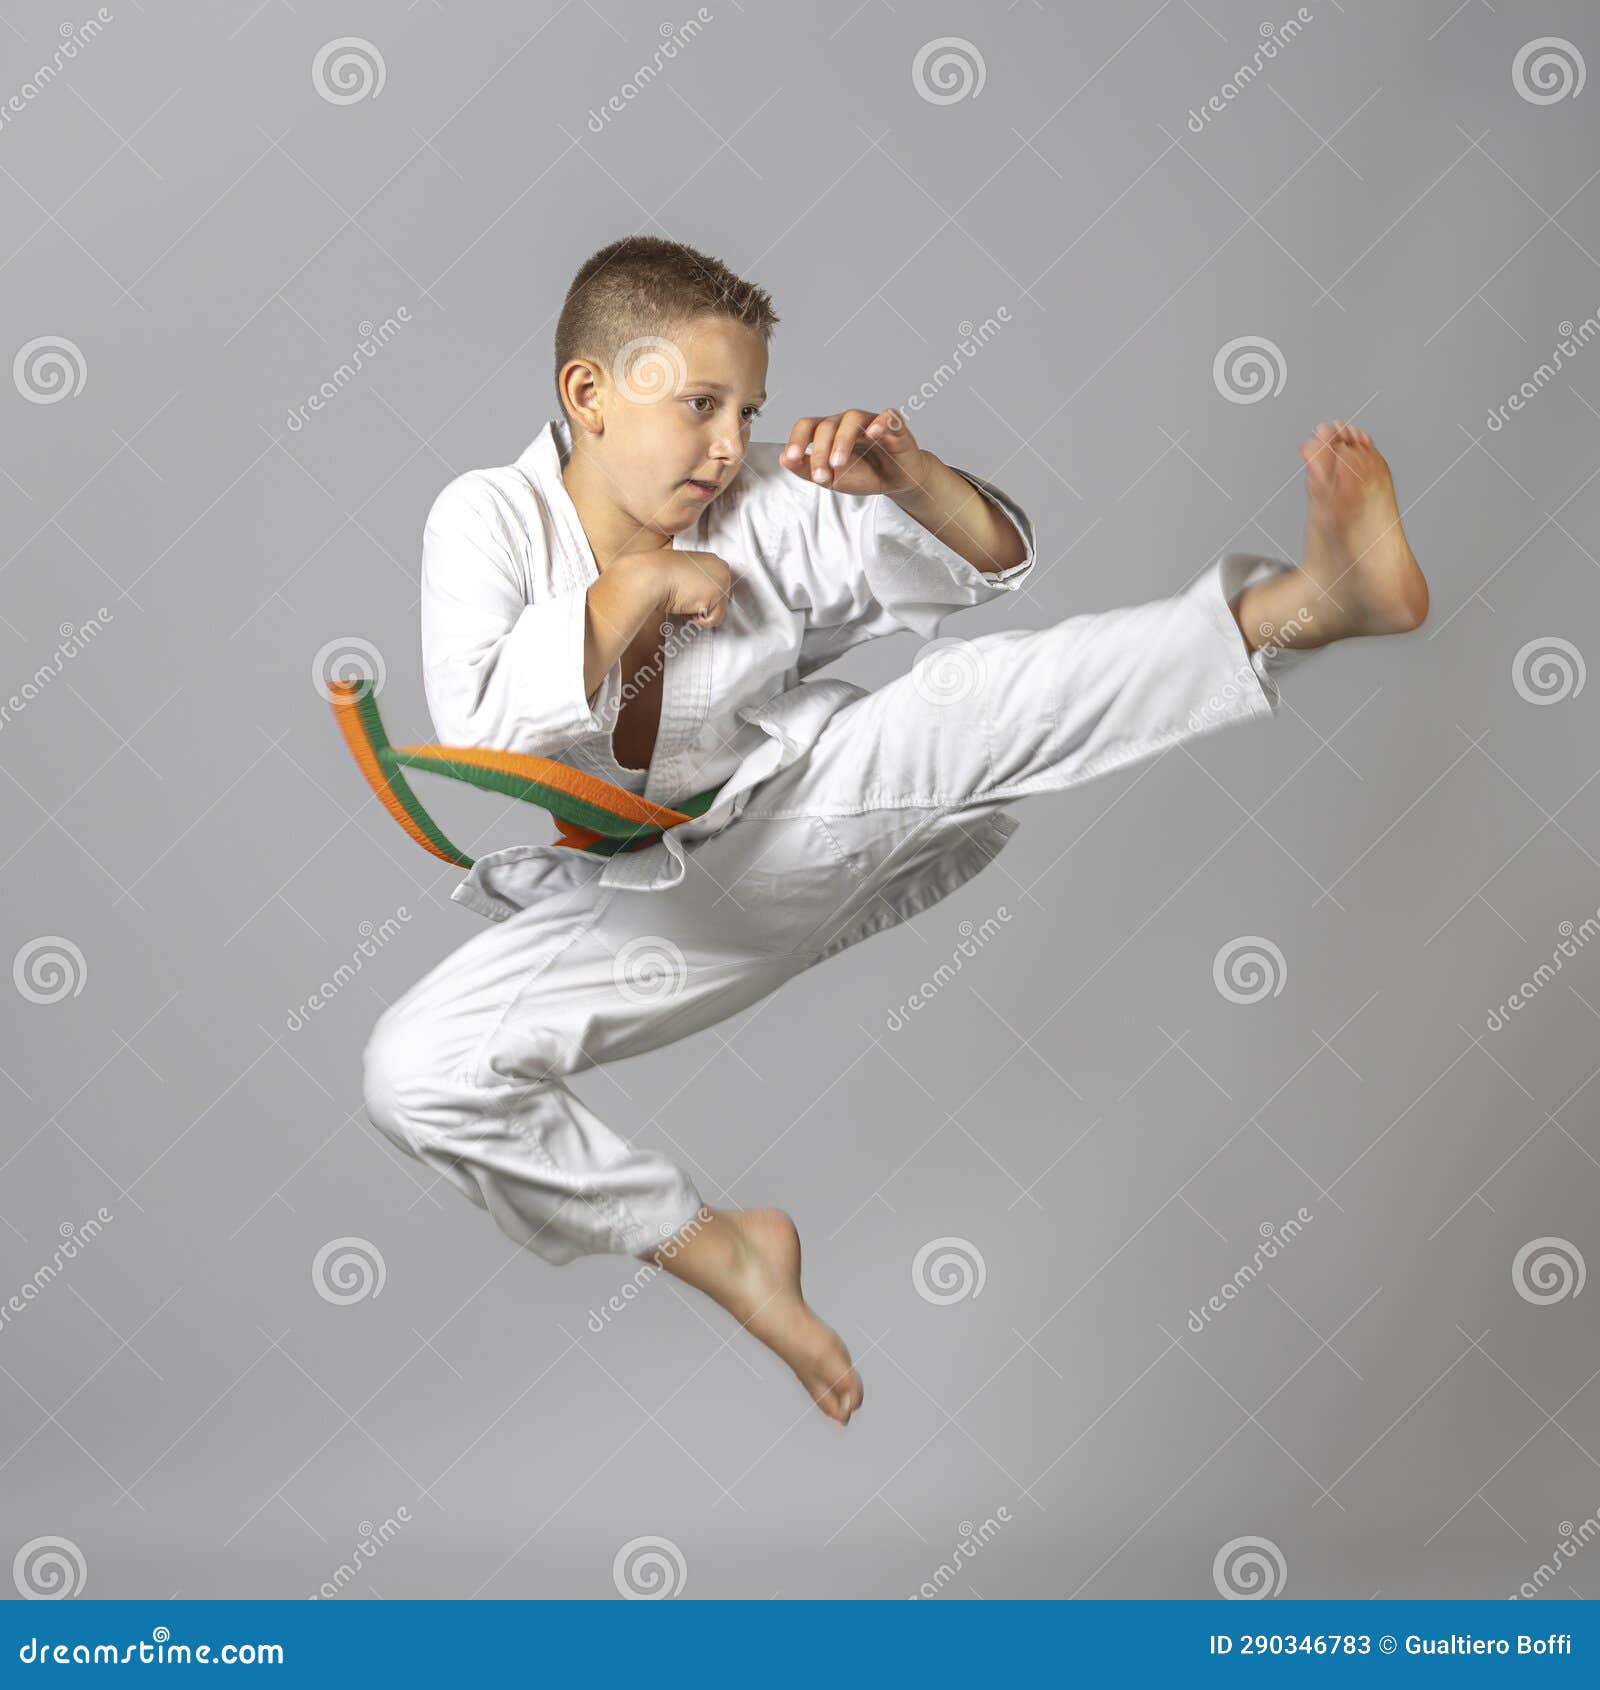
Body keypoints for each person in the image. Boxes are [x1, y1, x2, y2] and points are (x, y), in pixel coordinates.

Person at [361, 235, 1430, 1427]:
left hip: (795, 822)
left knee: (959, 702)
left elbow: (989, 561)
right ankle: (724, 1253)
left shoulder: (760, 499)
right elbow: (484, 721)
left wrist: (913, 481)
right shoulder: (486, 519)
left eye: (747, 409)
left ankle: (1309, 606)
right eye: (701, 405)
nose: (728, 445)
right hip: (634, 909)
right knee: (415, 1069)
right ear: (588, 396)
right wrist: (637, 591)